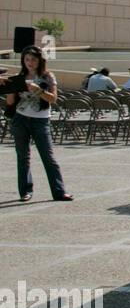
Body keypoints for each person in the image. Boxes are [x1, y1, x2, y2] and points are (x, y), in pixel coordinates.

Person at [4, 46, 72, 202]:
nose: (30, 63)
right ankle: (25, 191)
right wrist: (8, 88)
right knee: (23, 157)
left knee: (48, 157)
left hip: (40, 120)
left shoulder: (47, 77)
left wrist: (38, 90)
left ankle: (59, 191)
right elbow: (10, 102)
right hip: (21, 119)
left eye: (33, 60)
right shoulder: (19, 76)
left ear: (40, 60)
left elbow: (53, 98)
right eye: (27, 59)